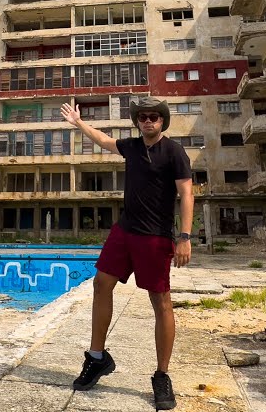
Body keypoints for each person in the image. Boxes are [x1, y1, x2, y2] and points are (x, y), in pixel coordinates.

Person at [62, 96, 193, 411]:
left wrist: (185, 236)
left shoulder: (174, 151)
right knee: (100, 283)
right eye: (143, 117)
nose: (148, 121)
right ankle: (97, 358)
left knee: (160, 302)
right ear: (138, 122)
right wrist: (79, 123)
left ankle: (161, 375)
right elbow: (105, 140)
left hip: (156, 238)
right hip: (124, 231)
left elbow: (187, 192)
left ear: (162, 121)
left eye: (153, 117)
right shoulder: (132, 147)